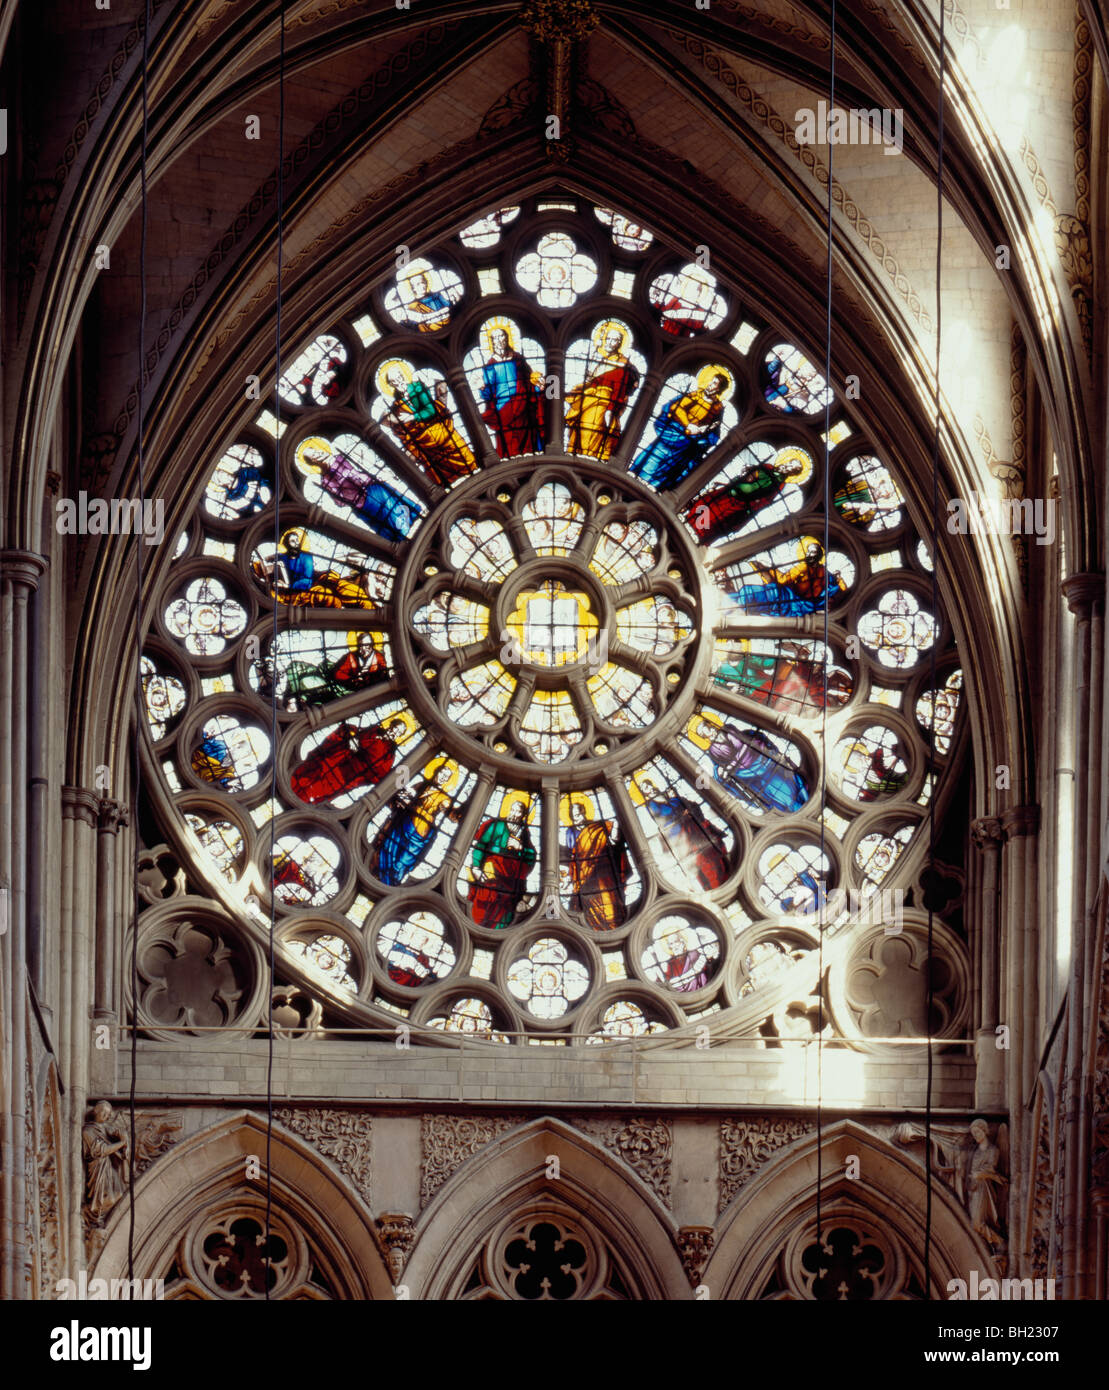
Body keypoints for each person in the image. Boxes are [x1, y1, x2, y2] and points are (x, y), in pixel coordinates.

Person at [295, 438, 421, 543]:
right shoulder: (325, 481)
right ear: (313, 462)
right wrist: (347, 493)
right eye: (313, 456)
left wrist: (374, 475)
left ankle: (412, 524)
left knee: (393, 506)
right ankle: (402, 539)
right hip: (362, 505)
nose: (318, 454)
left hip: (373, 488)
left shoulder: (341, 457)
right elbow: (339, 503)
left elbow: (363, 466)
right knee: (385, 522)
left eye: (316, 451)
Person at [630, 370, 728, 490]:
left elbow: (714, 432)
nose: (709, 385)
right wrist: (688, 425)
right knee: (656, 455)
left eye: (714, 384)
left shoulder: (718, 408)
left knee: (672, 466)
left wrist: (703, 434)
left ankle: (655, 486)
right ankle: (638, 477)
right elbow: (677, 407)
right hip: (674, 432)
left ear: (719, 389)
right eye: (711, 382)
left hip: (689, 443)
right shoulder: (696, 395)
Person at [379, 362, 475, 485]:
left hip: (440, 430)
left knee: (465, 459)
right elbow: (403, 429)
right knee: (439, 471)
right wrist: (396, 423)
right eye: (394, 381)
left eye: (400, 377)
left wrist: (413, 417)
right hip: (423, 442)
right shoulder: (397, 405)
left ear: (403, 376)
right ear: (391, 385)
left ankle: (472, 470)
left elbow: (431, 410)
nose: (399, 382)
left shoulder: (418, 388)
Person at [371, 760, 464, 885]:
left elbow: (451, 814)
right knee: (387, 848)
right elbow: (403, 793)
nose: (442, 777)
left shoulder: (444, 798)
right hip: (402, 822)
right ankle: (378, 873)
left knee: (401, 862)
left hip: (420, 832)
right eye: (442, 773)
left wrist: (459, 811)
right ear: (436, 771)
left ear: (448, 781)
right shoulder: (421, 785)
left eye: (446, 777)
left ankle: (391, 880)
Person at [695, 717, 809, 815]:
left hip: (761, 763)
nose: (705, 732)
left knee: (787, 789)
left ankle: (802, 805)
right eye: (701, 733)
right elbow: (719, 764)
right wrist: (718, 771)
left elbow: (745, 745)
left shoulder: (728, 730)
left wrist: (731, 766)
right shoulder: (712, 749)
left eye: (704, 727)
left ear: (708, 724)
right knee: (771, 799)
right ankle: (790, 812)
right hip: (746, 777)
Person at [686, 452, 806, 544]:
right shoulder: (767, 466)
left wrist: (750, 509)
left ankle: (697, 534)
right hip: (729, 491)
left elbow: (765, 500)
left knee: (715, 519)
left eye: (792, 469)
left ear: (792, 474)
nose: (788, 467)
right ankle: (689, 520)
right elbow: (749, 476)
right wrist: (749, 470)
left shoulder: (780, 484)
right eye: (790, 464)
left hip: (741, 504)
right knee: (707, 503)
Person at [636, 775, 729, 890]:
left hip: (693, 826)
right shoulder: (651, 804)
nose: (648, 787)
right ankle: (712, 884)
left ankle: (725, 870)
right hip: (680, 835)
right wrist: (676, 805)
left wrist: (677, 799)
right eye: (645, 787)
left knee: (712, 849)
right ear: (643, 792)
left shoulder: (665, 794)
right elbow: (664, 815)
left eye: (648, 783)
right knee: (699, 859)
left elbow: (688, 804)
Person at [564, 324, 640, 460]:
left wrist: (610, 410)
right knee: (578, 431)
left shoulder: (624, 366)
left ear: (620, 343)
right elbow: (592, 382)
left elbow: (621, 389)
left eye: (614, 340)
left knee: (591, 433)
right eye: (608, 338)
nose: (610, 342)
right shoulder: (601, 360)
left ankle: (588, 460)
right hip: (588, 401)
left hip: (602, 406)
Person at [291, 716, 405, 805]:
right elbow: (354, 731)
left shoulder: (390, 753)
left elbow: (379, 772)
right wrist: (352, 738)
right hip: (337, 758)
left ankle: (299, 800)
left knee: (318, 790)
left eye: (398, 732)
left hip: (346, 776)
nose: (394, 732)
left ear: (399, 736)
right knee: (308, 774)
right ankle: (291, 786)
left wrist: (361, 751)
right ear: (391, 725)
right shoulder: (375, 730)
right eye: (395, 728)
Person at [252, 527, 376, 608]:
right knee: (327, 596)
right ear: (286, 544)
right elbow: (266, 563)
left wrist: (288, 586)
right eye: (291, 541)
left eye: (297, 541)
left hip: (308, 586)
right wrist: (264, 563)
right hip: (290, 594)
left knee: (337, 590)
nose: (295, 543)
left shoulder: (306, 557)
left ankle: (367, 607)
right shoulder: (282, 557)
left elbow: (307, 579)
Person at [467, 798, 537, 928]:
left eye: (518, 812)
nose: (514, 814)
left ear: (523, 815)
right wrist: (476, 867)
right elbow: (481, 845)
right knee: (482, 907)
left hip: (511, 880)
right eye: (513, 809)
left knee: (504, 911)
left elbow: (531, 856)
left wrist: (520, 847)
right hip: (490, 873)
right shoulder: (497, 825)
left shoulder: (524, 833)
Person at [727, 541, 846, 617]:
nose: (809, 555)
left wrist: (767, 568)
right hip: (796, 607)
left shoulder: (805, 567)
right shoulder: (827, 574)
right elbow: (840, 590)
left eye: (812, 552)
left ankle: (725, 607)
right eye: (808, 552)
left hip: (786, 599)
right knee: (751, 600)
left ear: (819, 555)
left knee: (750, 594)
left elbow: (783, 580)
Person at [563, 797, 630, 931]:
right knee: (587, 906)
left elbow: (614, 841)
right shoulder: (570, 832)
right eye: (574, 815)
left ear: (584, 812)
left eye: (579, 813)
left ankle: (613, 926)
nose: (577, 817)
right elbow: (571, 853)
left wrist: (615, 829)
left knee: (610, 905)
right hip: (584, 876)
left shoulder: (599, 826)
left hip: (604, 871)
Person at [479, 325, 544, 456]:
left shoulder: (518, 359)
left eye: (501, 336)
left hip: (523, 404)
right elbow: (487, 394)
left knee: (527, 437)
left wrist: (540, 386)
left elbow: (528, 380)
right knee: (508, 441)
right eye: (495, 338)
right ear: (492, 342)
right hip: (503, 409)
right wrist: (481, 388)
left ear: (507, 338)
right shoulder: (490, 365)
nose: (499, 340)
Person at [282, 632, 388, 710]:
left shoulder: (378, 658)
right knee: (299, 670)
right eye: (361, 645)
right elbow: (338, 674)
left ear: (372, 645)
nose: (363, 649)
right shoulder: (351, 656)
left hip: (354, 696)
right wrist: (353, 679)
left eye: (367, 646)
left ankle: (300, 701)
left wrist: (366, 679)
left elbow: (383, 677)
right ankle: (294, 699)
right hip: (339, 686)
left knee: (310, 684)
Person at [82, 1101, 129, 1225]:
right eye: (104, 1112)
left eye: (108, 1114)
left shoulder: (105, 1131)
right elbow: (102, 1150)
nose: (106, 1116)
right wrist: (121, 1143)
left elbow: (116, 1152)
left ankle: (96, 1215)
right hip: (98, 1167)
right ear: (96, 1110)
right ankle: (90, 1213)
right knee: (106, 1198)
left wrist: (124, 1145)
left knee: (119, 1194)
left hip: (106, 1166)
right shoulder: (88, 1130)